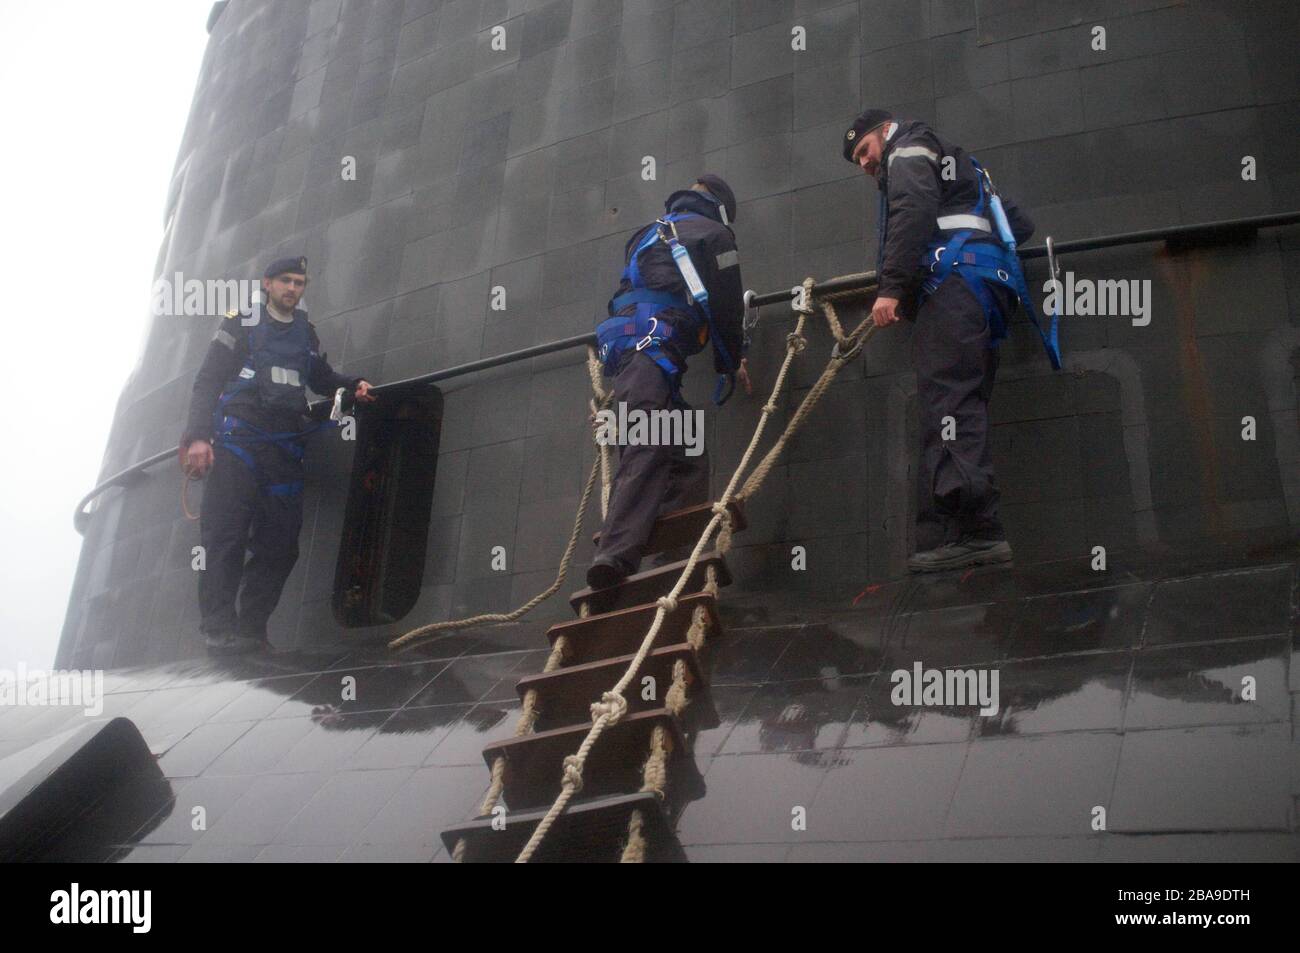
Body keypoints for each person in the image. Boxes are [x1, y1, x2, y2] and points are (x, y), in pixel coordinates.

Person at [843, 109, 1060, 572]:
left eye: (864, 150)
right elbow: (1019, 225)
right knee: (966, 400)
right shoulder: (965, 164)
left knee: (948, 404)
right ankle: (969, 530)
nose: (863, 163)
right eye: (857, 159)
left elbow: (913, 209)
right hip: (987, 290)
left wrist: (892, 287)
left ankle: (975, 532)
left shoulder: (908, 150)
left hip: (953, 290)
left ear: (886, 132)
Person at [180, 256, 376, 653]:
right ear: (267, 283)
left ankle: (252, 629)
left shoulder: (305, 333)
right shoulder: (241, 322)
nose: (292, 288)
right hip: (240, 442)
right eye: (285, 281)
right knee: (226, 536)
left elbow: (320, 378)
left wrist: (352, 385)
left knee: (281, 544)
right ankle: (219, 628)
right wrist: (198, 437)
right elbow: (208, 380)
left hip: (284, 445)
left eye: (299, 282)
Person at [586, 175, 751, 590]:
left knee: (688, 448)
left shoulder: (645, 235)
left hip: (634, 351)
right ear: (721, 209)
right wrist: (730, 361)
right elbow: (727, 305)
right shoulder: (716, 236)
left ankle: (672, 558)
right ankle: (615, 554)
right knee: (646, 440)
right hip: (649, 350)